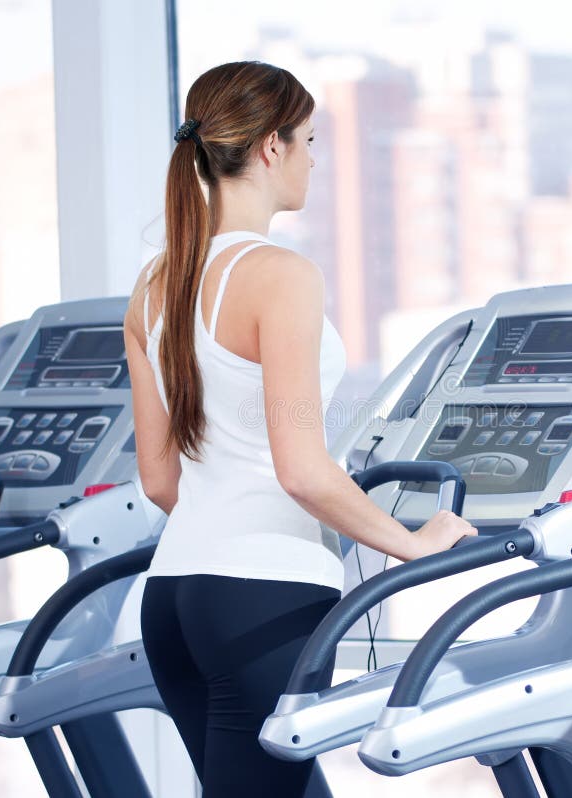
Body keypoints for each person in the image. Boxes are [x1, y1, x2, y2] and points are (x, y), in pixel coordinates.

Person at [123, 61, 477, 797]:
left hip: (174, 601)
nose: (314, 158)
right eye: (309, 140)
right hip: (264, 600)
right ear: (269, 149)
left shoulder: (156, 284)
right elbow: (303, 469)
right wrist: (412, 545)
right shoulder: (280, 275)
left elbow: (160, 480)